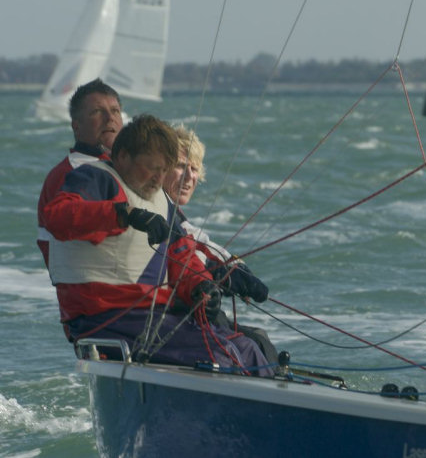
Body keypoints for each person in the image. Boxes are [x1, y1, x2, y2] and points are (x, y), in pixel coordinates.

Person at [42, 114, 272, 377]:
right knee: (222, 355)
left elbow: (181, 253)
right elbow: (58, 215)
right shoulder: (96, 179)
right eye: (152, 168)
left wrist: (201, 288)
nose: (158, 178)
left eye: (164, 170)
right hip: (105, 316)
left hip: (151, 315)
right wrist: (122, 214)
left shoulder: (159, 202)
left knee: (249, 348)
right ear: (124, 156)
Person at [164, 125, 278, 364]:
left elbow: (199, 242)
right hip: (170, 316)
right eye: (180, 166)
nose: (189, 177)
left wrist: (236, 267)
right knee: (252, 346)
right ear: (158, 167)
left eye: (194, 169)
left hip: (185, 312)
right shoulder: (159, 211)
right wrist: (221, 272)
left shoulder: (176, 216)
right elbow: (186, 249)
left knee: (259, 339)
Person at [37, 78, 123, 270]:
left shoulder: (126, 168)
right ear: (76, 126)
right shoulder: (70, 175)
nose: (110, 118)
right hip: (100, 293)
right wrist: (126, 215)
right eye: (97, 112)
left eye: (115, 111)